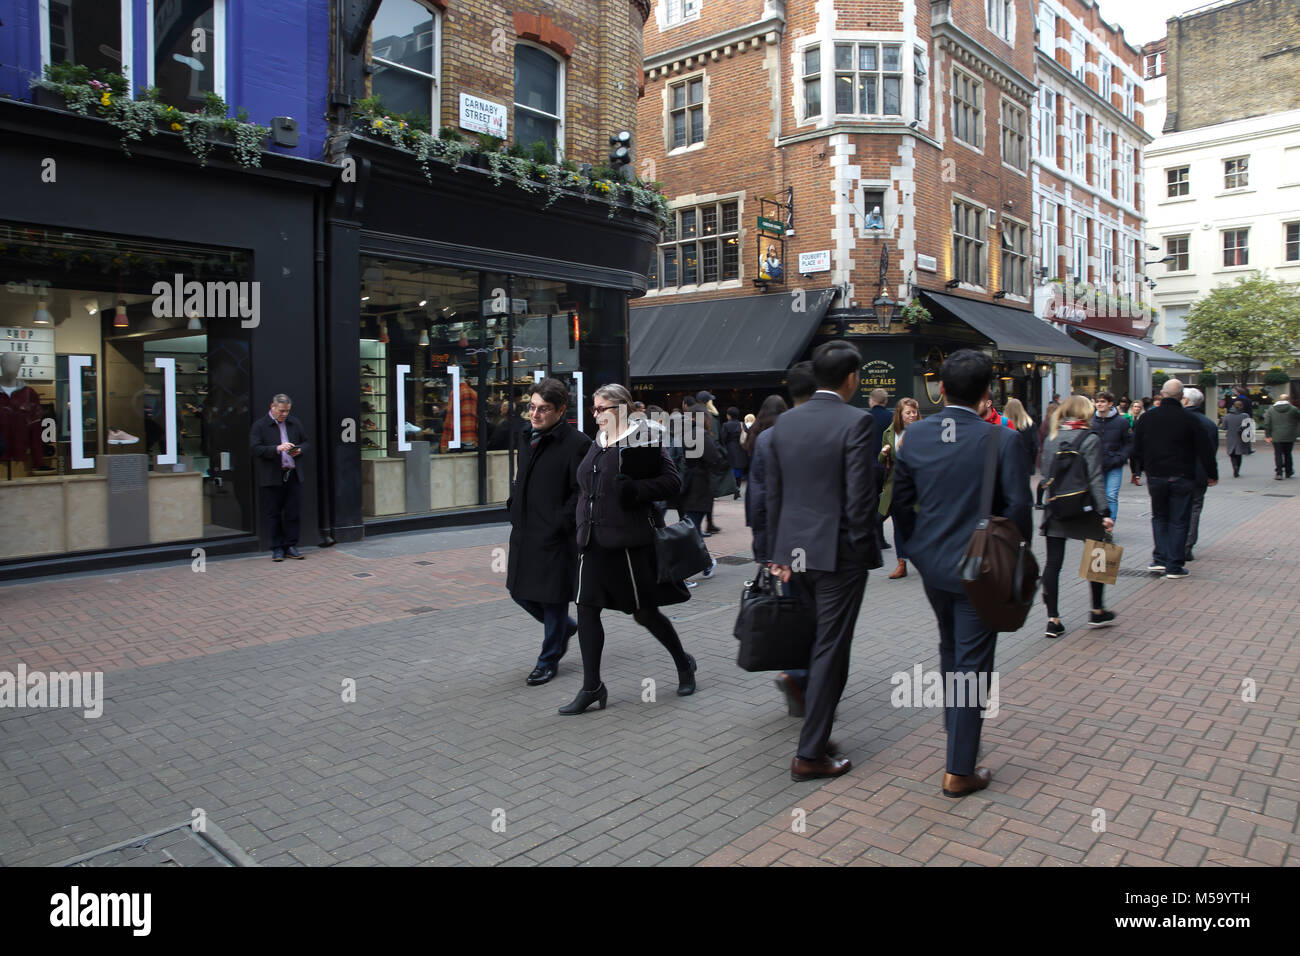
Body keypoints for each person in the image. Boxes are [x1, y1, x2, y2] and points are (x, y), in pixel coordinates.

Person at [892, 349, 1031, 798]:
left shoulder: (915, 436)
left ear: (942, 389)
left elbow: (900, 503)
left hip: (934, 564)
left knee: (952, 650)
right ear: (989, 392)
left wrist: (914, 548)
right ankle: (959, 768)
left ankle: (959, 735)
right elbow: (1018, 511)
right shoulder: (1002, 440)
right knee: (972, 663)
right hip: (982, 567)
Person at [766, 342, 881, 780]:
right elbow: (859, 498)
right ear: (852, 379)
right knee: (832, 648)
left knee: (819, 644)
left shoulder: (786, 422)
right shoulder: (858, 421)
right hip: (838, 554)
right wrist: (864, 548)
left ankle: (817, 731)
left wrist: (777, 553)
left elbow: (775, 492)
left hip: (795, 551)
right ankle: (809, 753)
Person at [561, 384, 695, 714]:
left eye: (600, 409)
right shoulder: (599, 441)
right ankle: (592, 686)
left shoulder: (642, 439)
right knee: (586, 608)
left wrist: (635, 489)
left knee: (644, 612)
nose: (594, 415)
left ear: (621, 409)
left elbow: (672, 482)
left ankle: (683, 662)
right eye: (593, 409)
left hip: (630, 544)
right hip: (592, 542)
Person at [507, 379, 591, 687]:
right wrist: (514, 504)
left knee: (553, 598)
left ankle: (548, 660)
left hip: (556, 536)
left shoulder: (577, 443)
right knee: (518, 591)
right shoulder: (527, 435)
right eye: (532, 407)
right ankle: (565, 628)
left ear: (560, 411)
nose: (535, 414)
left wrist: (560, 522)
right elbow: (522, 478)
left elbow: (580, 491)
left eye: (543, 409)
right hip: (525, 530)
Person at [749, 364, 816, 718]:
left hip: (784, 546)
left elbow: (759, 498)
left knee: (796, 613)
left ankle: (799, 675)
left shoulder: (766, 438)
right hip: (820, 546)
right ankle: (806, 680)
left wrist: (765, 551)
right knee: (822, 620)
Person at [1039, 395, 1116, 639]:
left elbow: (1045, 473)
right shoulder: (1090, 438)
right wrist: (1105, 511)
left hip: (1057, 506)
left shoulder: (1052, 436)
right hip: (1085, 506)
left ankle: (1053, 619)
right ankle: (1097, 609)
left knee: (1053, 563)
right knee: (1099, 554)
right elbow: (1095, 478)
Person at [1131, 379, 1217, 579]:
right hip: (1182, 475)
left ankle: (1160, 559)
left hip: (1156, 475)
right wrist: (1212, 474)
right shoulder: (1191, 420)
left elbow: (1136, 448)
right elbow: (1205, 450)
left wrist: (1141, 469)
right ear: (1181, 397)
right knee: (1179, 520)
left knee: (1159, 516)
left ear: (1162, 394)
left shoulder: (1147, 418)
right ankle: (1174, 565)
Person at [249, 393, 309, 561]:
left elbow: (306, 442)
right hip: (272, 475)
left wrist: (300, 450)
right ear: (272, 407)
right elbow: (255, 449)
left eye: (287, 411)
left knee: (293, 512)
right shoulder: (260, 425)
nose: (284, 414)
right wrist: (277, 448)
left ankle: (291, 545)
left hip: (293, 474)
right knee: (273, 513)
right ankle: (277, 548)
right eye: (281, 411)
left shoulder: (294, 423)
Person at [677, 409, 723, 586]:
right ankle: (698, 566)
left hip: (689, 489)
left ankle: (704, 565)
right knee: (692, 530)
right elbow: (714, 458)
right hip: (698, 488)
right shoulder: (700, 435)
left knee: (692, 529)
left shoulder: (686, 434)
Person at [878, 397, 920, 579]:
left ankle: (924, 559)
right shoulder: (889, 433)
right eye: (908, 412)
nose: (912, 415)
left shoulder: (923, 431)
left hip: (918, 485)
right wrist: (883, 453)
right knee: (898, 525)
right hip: (896, 486)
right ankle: (901, 563)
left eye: (914, 412)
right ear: (899, 415)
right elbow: (882, 461)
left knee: (920, 524)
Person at [1180, 387, 1219, 562]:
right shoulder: (1209, 424)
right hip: (1199, 474)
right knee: (1195, 509)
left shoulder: (1179, 420)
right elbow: (1211, 451)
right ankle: (1187, 546)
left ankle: (1176, 545)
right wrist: (1212, 474)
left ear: (1186, 401)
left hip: (1179, 473)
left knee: (1178, 509)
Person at [1090, 390, 1133, 523]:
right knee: (1098, 496)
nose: (1099, 404)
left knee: (1111, 496)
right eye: (1097, 401)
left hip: (1114, 464)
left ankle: (1109, 527)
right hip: (1097, 465)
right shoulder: (1091, 422)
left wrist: (1120, 457)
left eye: (1103, 401)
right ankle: (1099, 524)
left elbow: (1129, 443)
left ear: (1110, 404)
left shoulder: (1121, 422)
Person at [867, 388, 895, 553]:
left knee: (871, 501)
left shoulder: (865, 417)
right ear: (885, 401)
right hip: (885, 466)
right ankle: (880, 534)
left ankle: (875, 537)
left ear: (872, 400)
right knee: (885, 502)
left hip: (868, 466)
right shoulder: (890, 417)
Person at [694, 390, 725, 532]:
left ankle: (705, 524)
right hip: (707, 458)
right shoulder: (710, 416)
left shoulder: (692, 415)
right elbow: (715, 438)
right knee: (707, 493)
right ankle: (707, 524)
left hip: (696, 459)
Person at [1263, 393, 1299, 480]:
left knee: (1278, 454)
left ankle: (1279, 473)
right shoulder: (1293, 409)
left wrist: (1268, 435)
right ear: (1288, 400)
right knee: (1288, 453)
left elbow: (1267, 423)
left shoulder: (1271, 410)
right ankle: (1288, 471)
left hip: (1276, 435)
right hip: (1289, 434)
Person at [1003, 398, 1038, 476]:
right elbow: (1035, 447)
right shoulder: (1030, 425)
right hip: (1025, 464)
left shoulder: (1001, 426)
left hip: (1006, 465)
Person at [721, 406, 748, 498]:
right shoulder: (742, 424)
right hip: (740, 450)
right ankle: (738, 488)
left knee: (731, 471)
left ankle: (734, 489)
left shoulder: (726, 425)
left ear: (729, 416)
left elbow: (723, 439)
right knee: (739, 471)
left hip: (730, 450)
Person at [1222, 400, 1251, 478]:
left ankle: (1234, 466)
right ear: (1241, 406)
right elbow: (1249, 427)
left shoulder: (1227, 416)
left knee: (1232, 454)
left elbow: (1224, 427)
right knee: (1239, 454)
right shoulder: (1245, 415)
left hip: (1231, 437)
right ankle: (1237, 468)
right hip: (1241, 437)